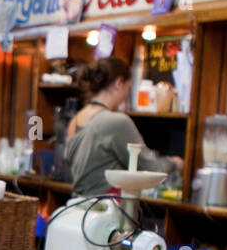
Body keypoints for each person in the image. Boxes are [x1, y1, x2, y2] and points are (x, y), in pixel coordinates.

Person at [63, 57, 181, 197]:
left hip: (76, 207)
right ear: (119, 83)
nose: (126, 95)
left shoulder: (74, 121)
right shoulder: (117, 122)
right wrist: (175, 163)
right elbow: (151, 167)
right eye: (128, 88)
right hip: (104, 209)